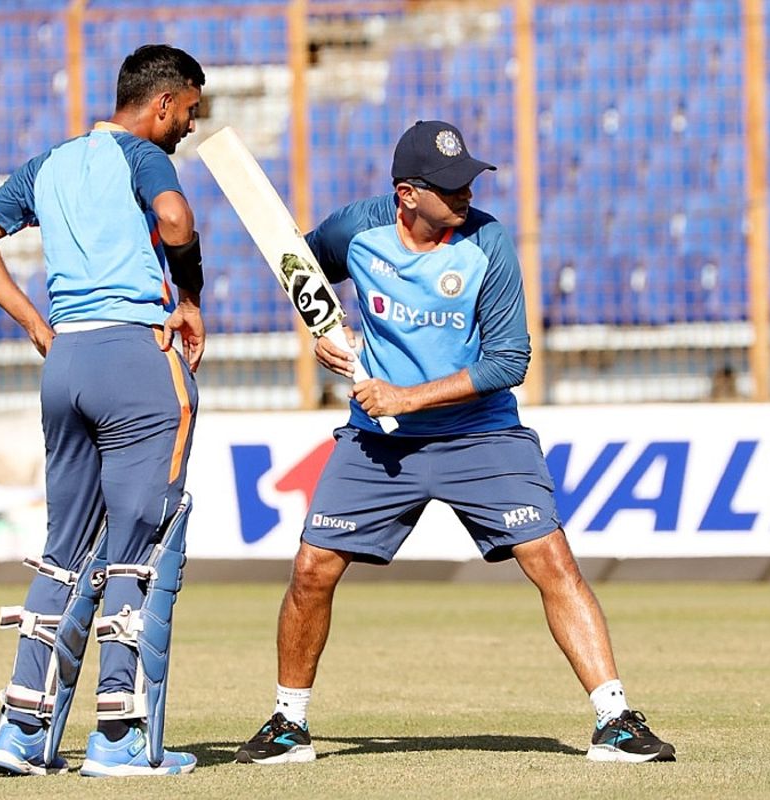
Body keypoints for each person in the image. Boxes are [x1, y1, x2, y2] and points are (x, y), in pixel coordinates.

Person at [235, 120, 676, 765]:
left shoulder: (488, 242)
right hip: (379, 445)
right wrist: (323, 336)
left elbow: (509, 360)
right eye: (449, 186)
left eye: (468, 178)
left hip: (482, 434)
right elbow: (300, 273)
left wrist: (405, 396)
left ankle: (616, 720)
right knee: (311, 571)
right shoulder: (355, 229)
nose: (465, 192)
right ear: (407, 194)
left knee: (552, 562)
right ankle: (287, 724)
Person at [0, 44, 206, 777]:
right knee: (142, 542)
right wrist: (188, 297)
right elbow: (176, 220)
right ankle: (119, 740)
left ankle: (21, 732)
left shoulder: (51, 162)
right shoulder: (142, 154)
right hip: (137, 357)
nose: (188, 126)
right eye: (188, 111)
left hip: (65, 365)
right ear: (161, 104)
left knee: (63, 548)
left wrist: (38, 326)